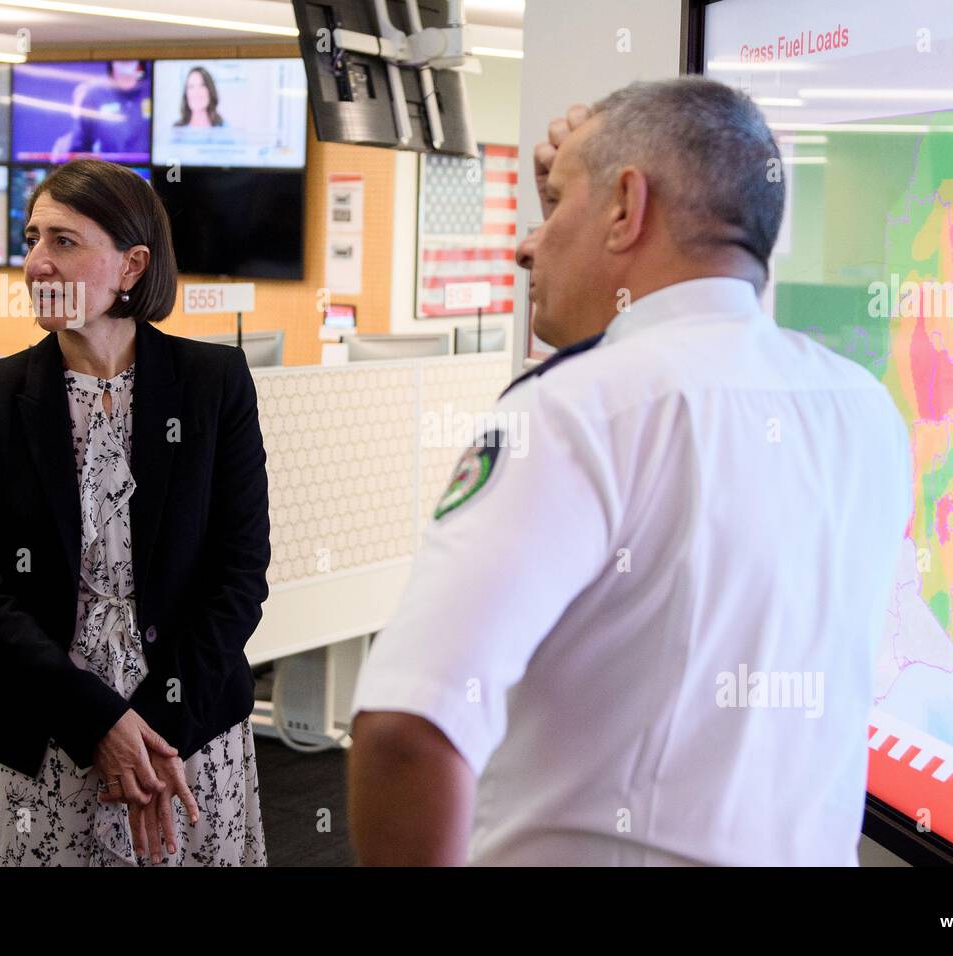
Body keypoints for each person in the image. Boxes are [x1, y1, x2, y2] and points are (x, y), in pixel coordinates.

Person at [347, 77, 914, 866]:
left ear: (625, 207)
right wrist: (589, 170)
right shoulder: (863, 408)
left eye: (556, 204)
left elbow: (408, 728)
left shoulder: (580, 412)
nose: (525, 245)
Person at [0, 159, 271, 866]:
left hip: (184, 735)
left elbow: (239, 577)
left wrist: (149, 730)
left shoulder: (215, 386)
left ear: (132, 265)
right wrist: (98, 720)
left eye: (63, 241)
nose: (35, 263)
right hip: (36, 735)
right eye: (30, 240)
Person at [66, 60, 151, 159]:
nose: (126, 58)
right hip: (108, 170)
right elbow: (79, 146)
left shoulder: (153, 87)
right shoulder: (96, 93)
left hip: (150, 171)